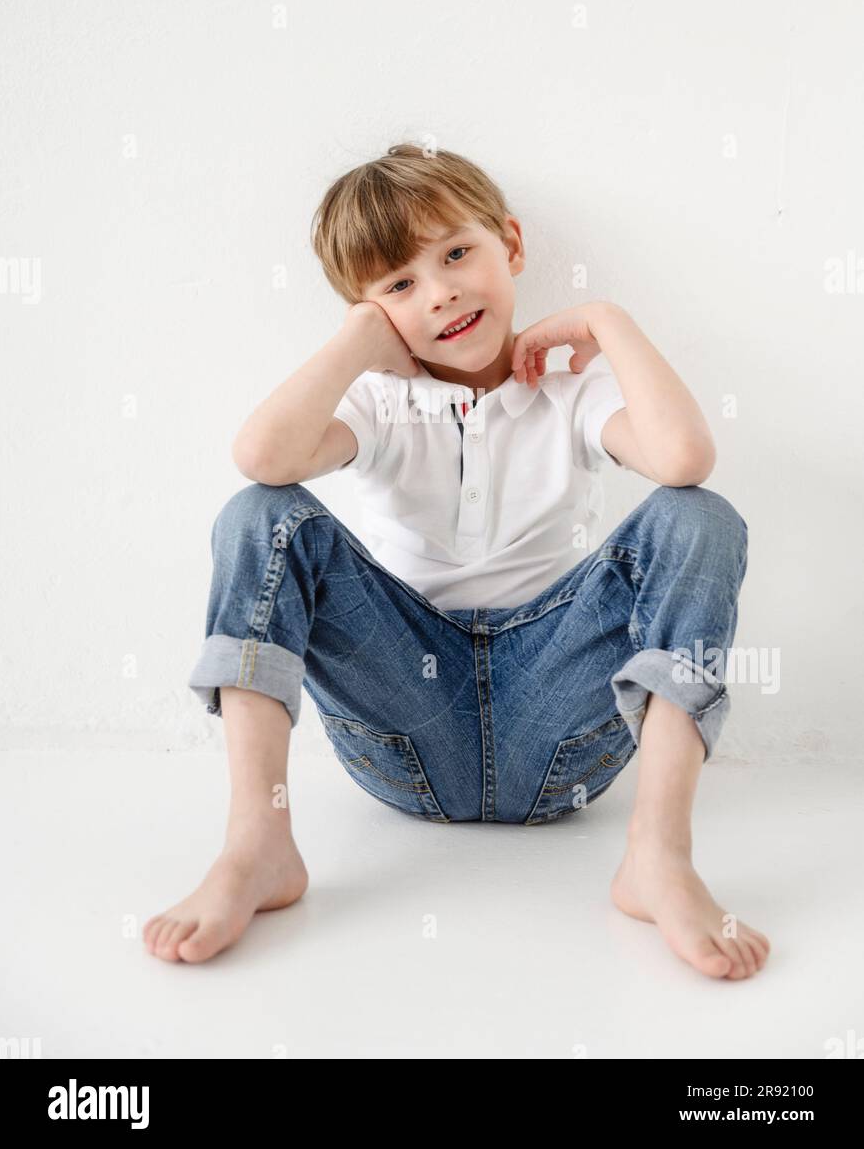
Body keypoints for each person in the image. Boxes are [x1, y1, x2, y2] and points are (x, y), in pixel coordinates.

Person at [144, 143, 769, 979]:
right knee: (260, 515)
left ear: (510, 245)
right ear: (370, 315)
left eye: (457, 254)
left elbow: (687, 460)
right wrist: (361, 342)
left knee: (701, 519)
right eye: (400, 286)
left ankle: (659, 857)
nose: (439, 293)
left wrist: (608, 324)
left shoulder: (569, 391)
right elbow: (262, 458)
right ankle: (257, 849)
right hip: (408, 723)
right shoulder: (375, 400)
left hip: (561, 728)